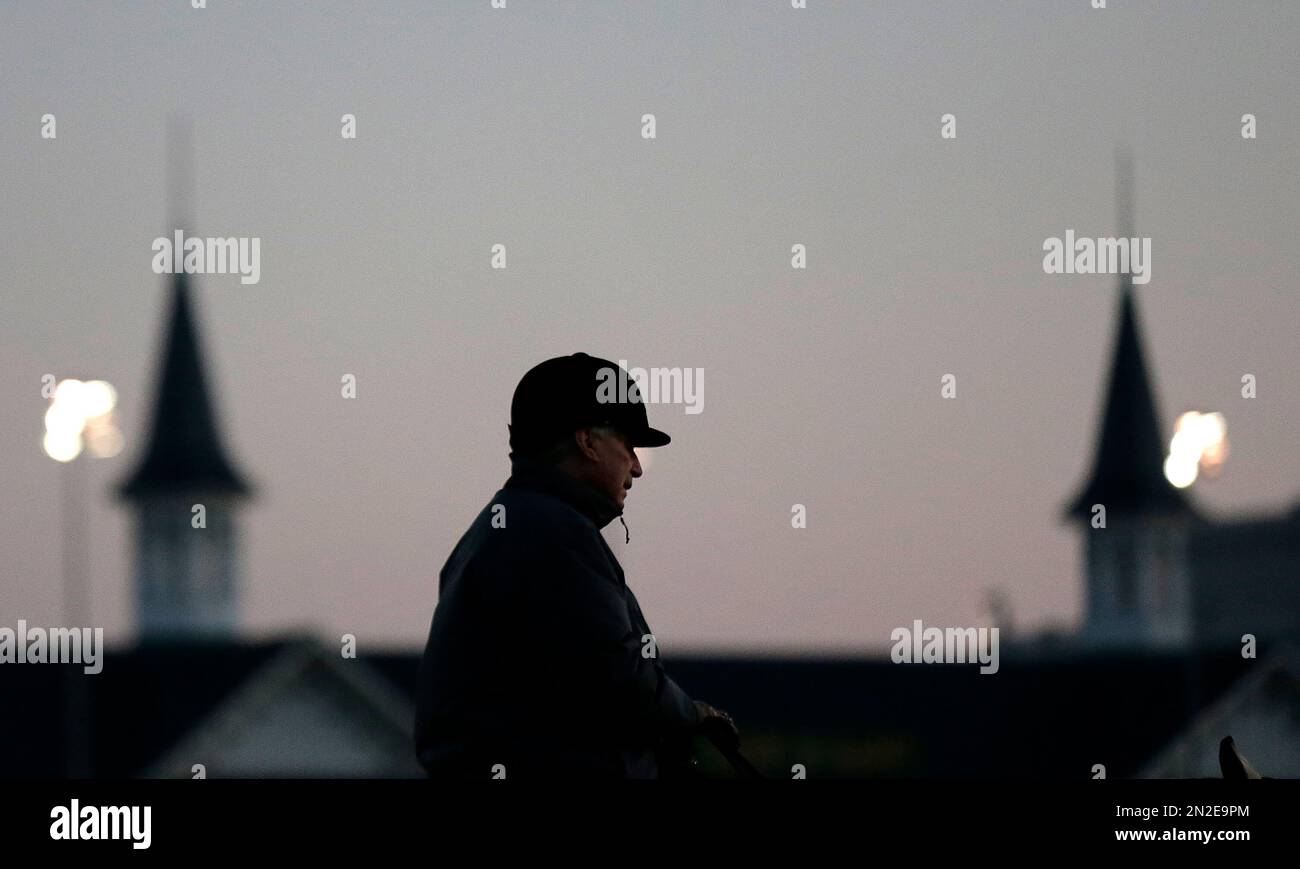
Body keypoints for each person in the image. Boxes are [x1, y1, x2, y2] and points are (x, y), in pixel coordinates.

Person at [414, 352, 737, 779]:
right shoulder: (554, 535)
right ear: (586, 441)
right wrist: (693, 717)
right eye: (628, 445)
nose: (638, 467)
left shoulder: (503, 527)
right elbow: (619, 679)